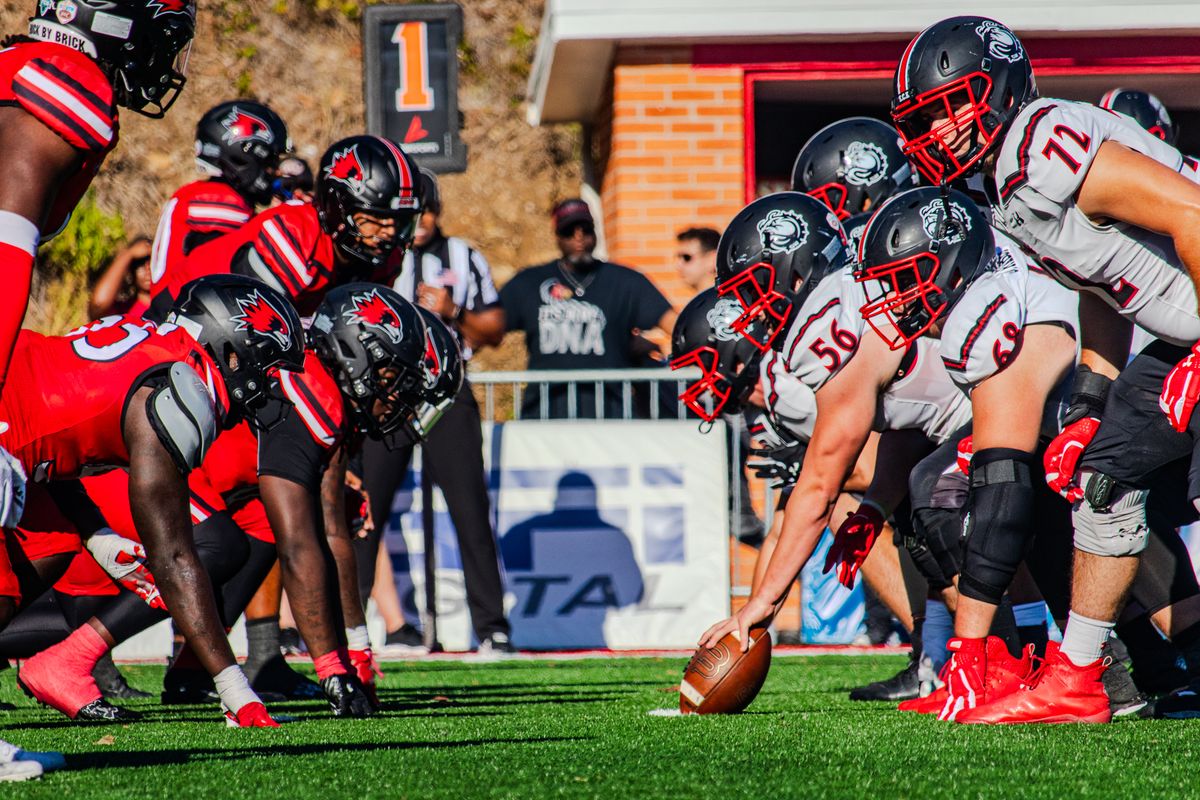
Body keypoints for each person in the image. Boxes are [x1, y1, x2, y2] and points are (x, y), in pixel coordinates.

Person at [888, 15, 1200, 723]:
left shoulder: (1042, 143)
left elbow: (1194, 213)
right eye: (923, 118)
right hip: (1177, 338)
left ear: (995, 88)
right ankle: (1080, 677)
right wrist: (1092, 396)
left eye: (950, 106)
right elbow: (1107, 282)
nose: (937, 131)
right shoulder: (1006, 187)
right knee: (1103, 480)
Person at [4, 275, 303, 727]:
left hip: (16, 432)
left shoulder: (155, 342)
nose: (267, 383)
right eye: (264, 365)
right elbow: (174, 555)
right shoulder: (173, 390)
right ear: (230, 348)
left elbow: (53, 432)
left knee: (53, 544)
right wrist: (235, 689)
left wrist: (96, 534)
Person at [0, 0, 194, 404]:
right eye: (161, 39)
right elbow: (5, 246)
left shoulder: (17, 60)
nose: (162, 59)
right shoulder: (69, 81)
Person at [359, 168, 512, 653]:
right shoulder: (376, 256)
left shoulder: (464, 256)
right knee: (365, 510)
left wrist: (453, 313)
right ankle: (351, 626)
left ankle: (491, 627)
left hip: (447, 388)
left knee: (470, 509)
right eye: (411, 212)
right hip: (386, 394)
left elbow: (494, 328)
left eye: (428, 210)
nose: (420, 220)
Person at [147, 134, 424, 319]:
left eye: (399, 222)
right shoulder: (296, 234)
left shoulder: (386, 256)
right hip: (181, 314)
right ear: (337, 208)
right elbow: (249, 326)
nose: (388, 233)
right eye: (374, 219)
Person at [500, 198, 676, 419]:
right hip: (546, 417)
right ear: (556, 236)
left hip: (610, 415)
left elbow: (676, 325)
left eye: (585, 229)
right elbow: (484, 327)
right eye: (568, 231)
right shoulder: (529, 282)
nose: (578, 237)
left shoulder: (625, 281)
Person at [149, 100, 290, 294]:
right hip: (183, 313)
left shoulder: (197, 192)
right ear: (243, 155)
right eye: (271, 161)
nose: (276, 171)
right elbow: (219, 277)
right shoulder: (220, 199)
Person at [89, 236, 153, 320]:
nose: (148, 268)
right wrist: (129, 254)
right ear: (131, 270)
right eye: (140, 263)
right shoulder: (122, 312)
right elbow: (99, 304)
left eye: (153, 261)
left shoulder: (173, 309)